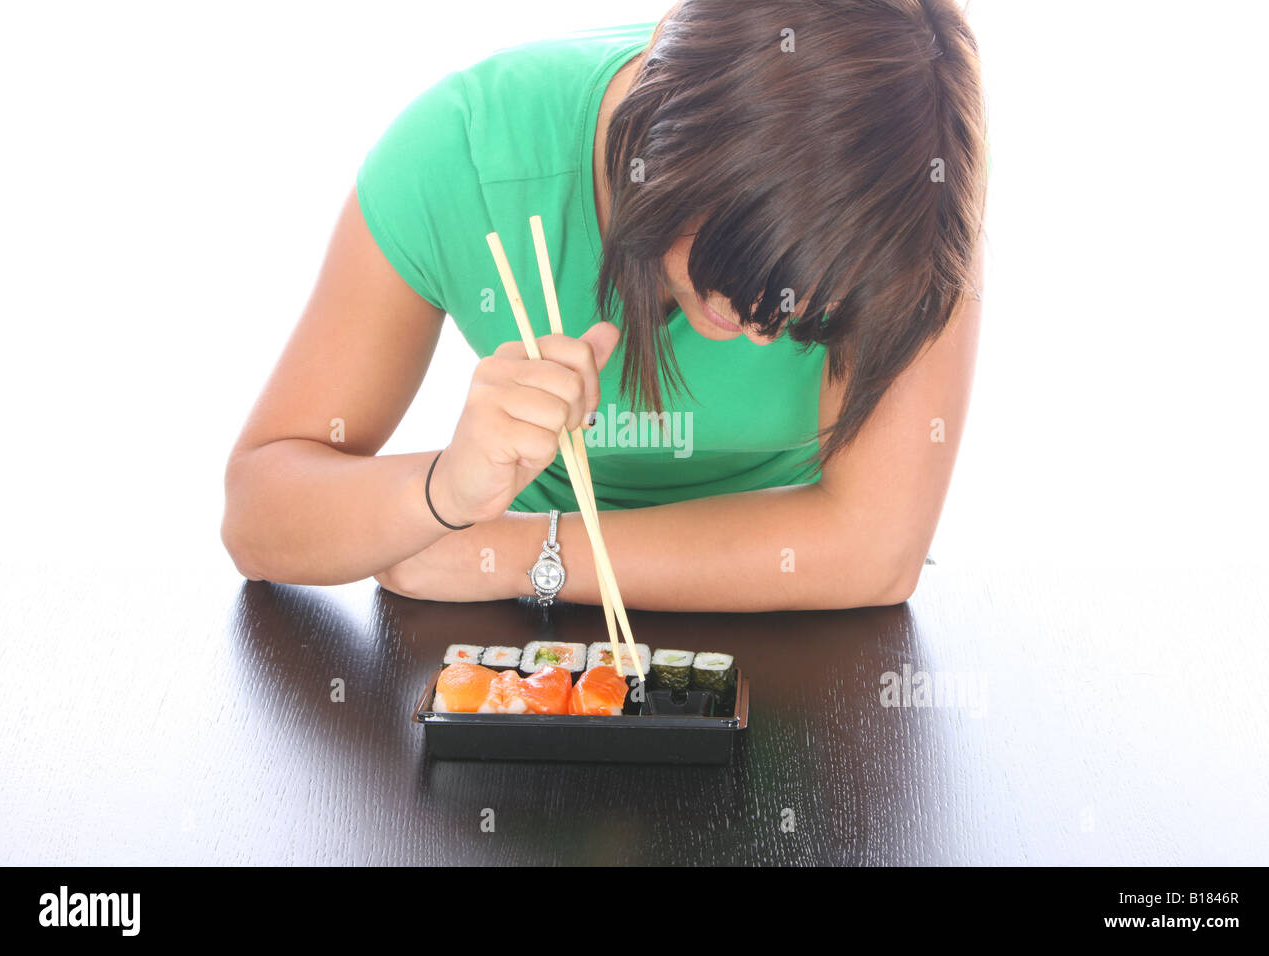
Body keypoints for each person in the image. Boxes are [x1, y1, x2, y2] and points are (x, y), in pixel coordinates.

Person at [221, 0, 988, 612]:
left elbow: (874, 552)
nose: (760, 337)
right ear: (667, 134)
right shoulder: (466, 153)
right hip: (534, 638)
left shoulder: (909, 194)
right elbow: (258, 516)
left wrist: (516, 554)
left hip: (797, 625)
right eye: (729, 271)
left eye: (809, 311)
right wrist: (443, 491)